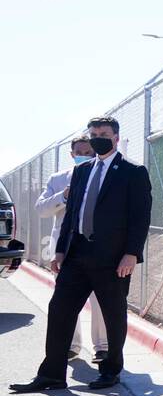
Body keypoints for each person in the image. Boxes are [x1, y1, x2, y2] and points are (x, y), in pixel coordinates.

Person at [11, 117, 151, 394]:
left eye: (104, 134)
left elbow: (140, 217)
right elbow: (71, 214)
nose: (99, 138)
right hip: (77, 254)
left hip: (112, 259)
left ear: (116, 137)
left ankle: (110, 370)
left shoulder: (133, 172)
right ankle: (52, 374)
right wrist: (61, 250)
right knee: (60, 310)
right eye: (94, 134)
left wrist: (131, 253)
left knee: (113, 316)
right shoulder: (82, 171)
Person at [33, 134, 107, 361]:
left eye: (88, 152)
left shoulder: (102, 175)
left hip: (95, 247)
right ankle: (71, 345)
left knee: (99, 298)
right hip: (65, 249)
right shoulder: (58, 179)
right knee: (66, 298)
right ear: (71, 154)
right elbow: (41, 209)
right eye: (79, 153)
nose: (83, 156)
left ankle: (103, 346)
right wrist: (63, 196)